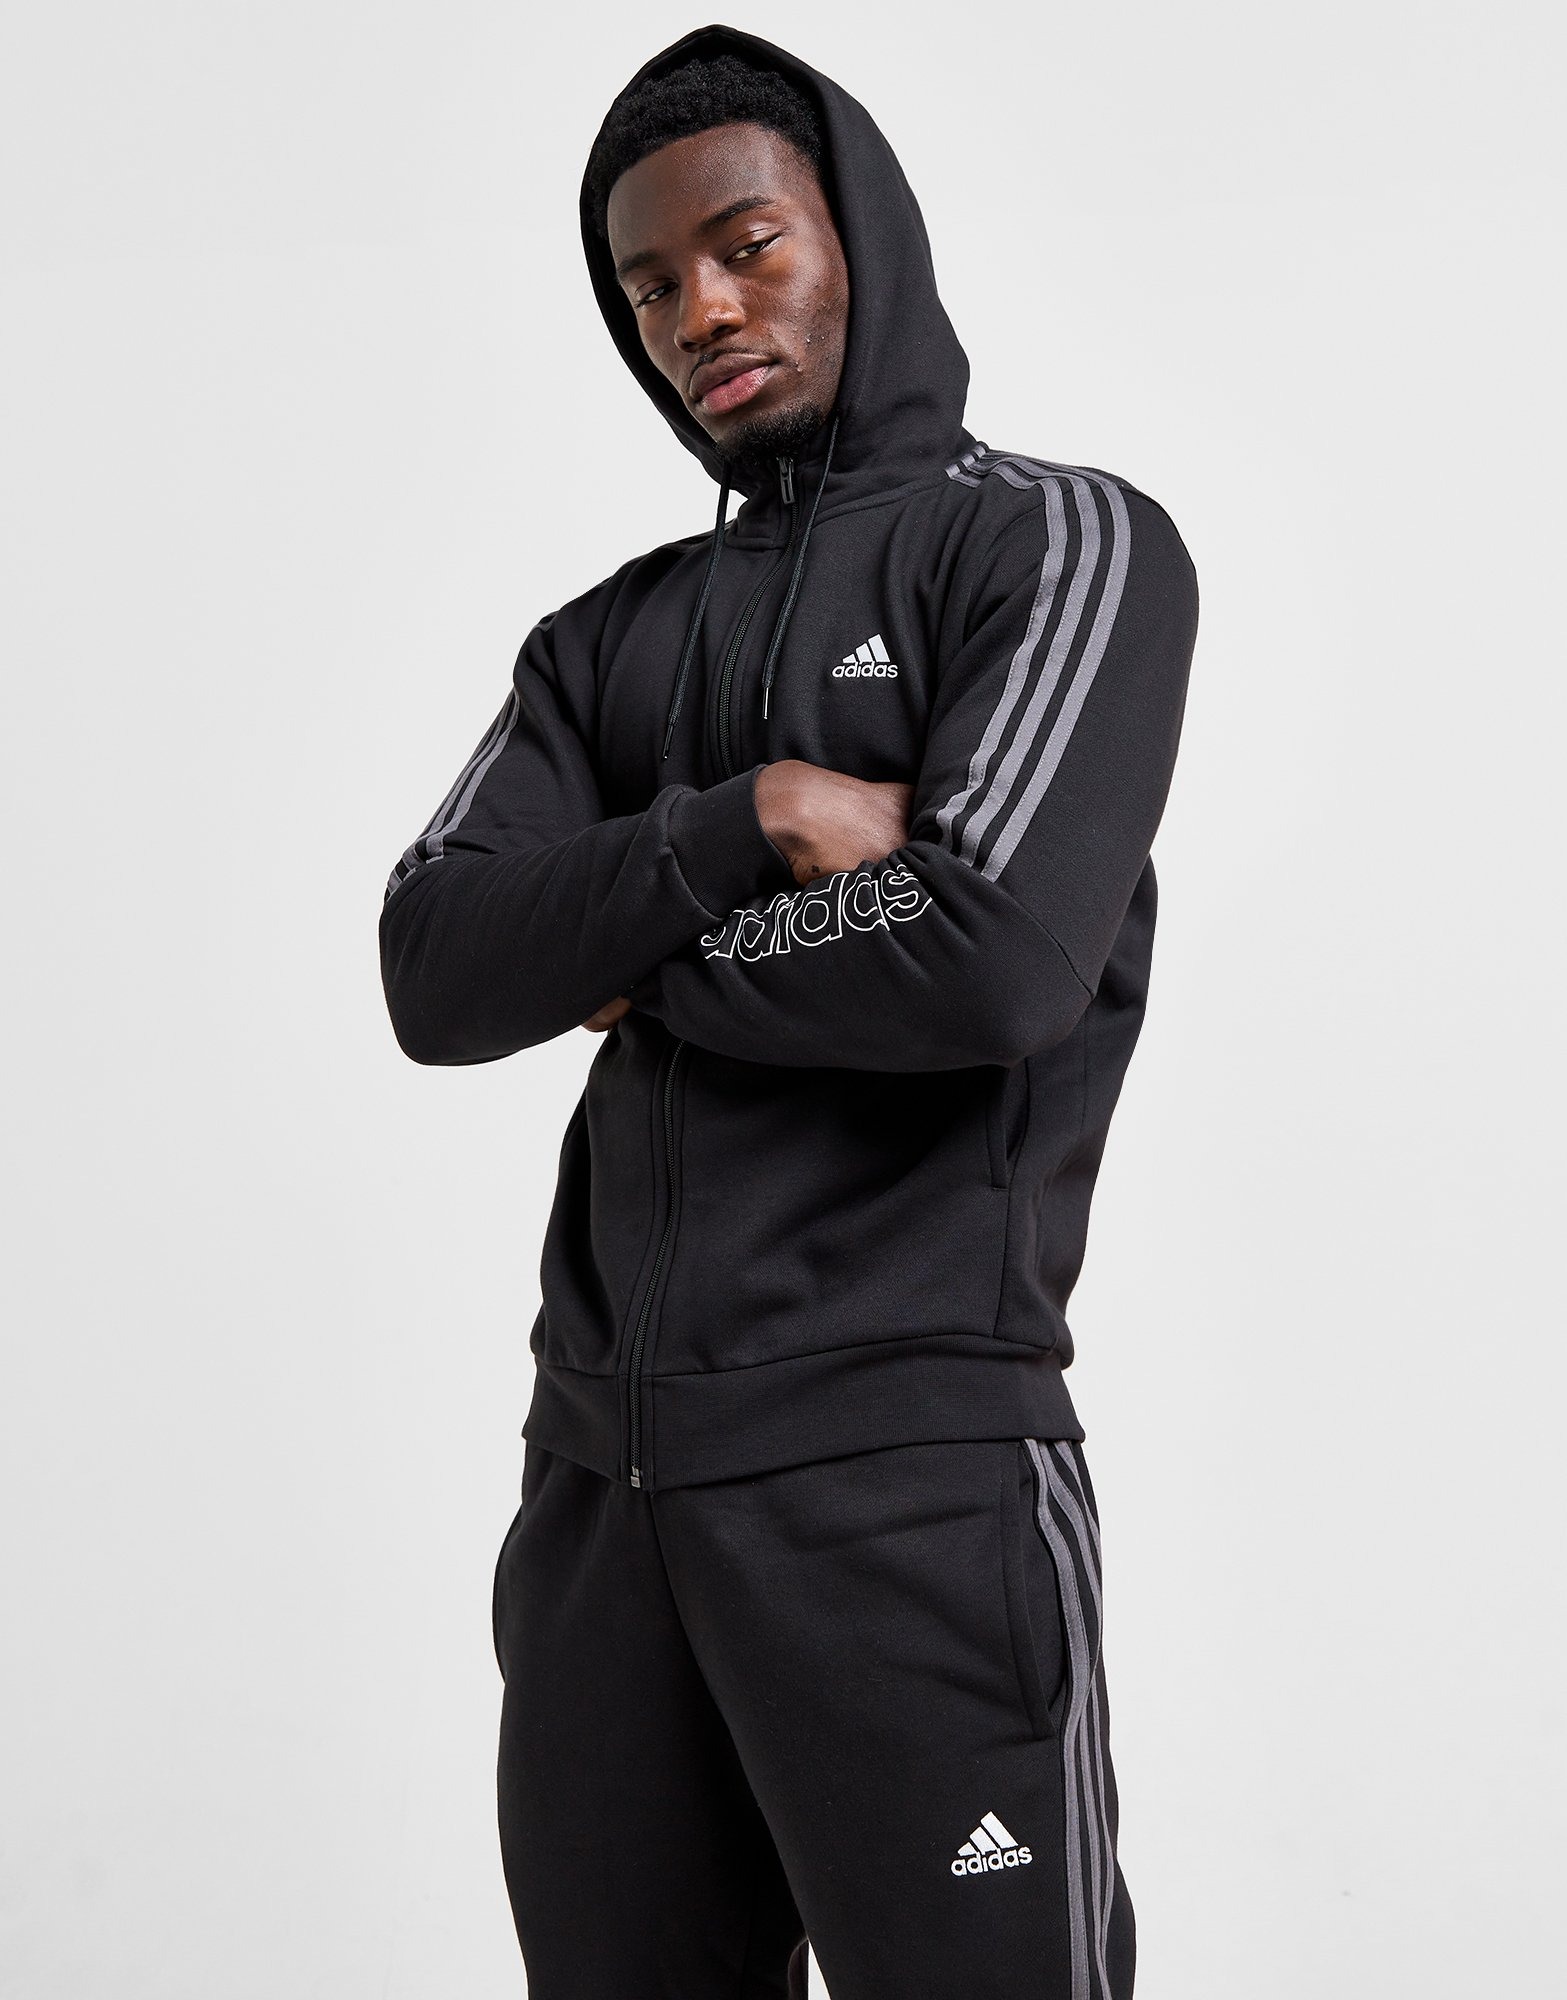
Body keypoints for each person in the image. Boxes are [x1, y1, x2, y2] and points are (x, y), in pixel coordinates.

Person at [378, 23, 1198, 1999]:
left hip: (904, 1487)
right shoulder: (604, 642)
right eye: (651, 287)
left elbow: (991, 952)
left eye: (744, 247)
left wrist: (631, 969)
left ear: (862, 239)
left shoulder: (1051, 543)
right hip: (599, 1500)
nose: (701, 314)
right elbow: (435, 964)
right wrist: (744, 819)